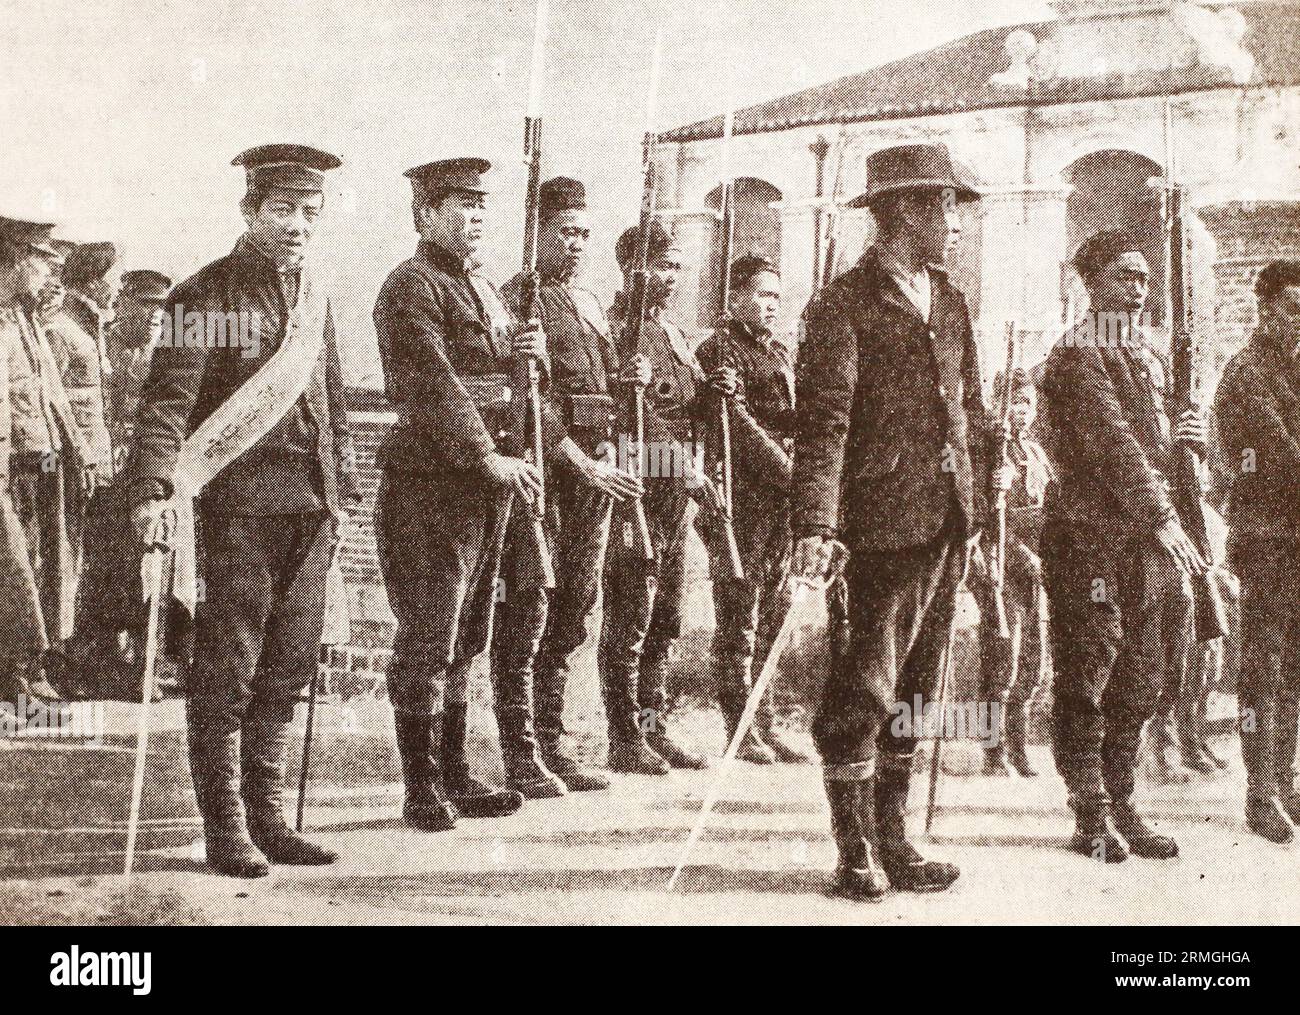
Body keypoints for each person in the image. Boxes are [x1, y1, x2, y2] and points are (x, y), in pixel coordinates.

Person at [129, 144, 359, 877]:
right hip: (237, 514)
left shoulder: (316, 297)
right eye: (283, 210)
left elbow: (332, 403)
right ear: (250, 211)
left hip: (309, 512)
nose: (297, 225)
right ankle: (225, 826)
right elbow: (167, 403)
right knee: (227, 670)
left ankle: (269, 819)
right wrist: (152, 489)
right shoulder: (207, 296)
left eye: (310, 213)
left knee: (288, 669)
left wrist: (341, 493)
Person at [792, 144, 989, 899]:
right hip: (877, 528)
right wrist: (816, 521)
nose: (956, 225)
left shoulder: (950, 298)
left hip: (946, 523)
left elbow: (968, 407)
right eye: (946, 208)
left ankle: (895, 840)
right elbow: (825, 425)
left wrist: (980, 500)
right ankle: (853, 852)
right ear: (908, 211)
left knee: (916, 693)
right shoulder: (841, 305)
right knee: (863, 690)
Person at [373, 156, 560, 826]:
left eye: (481, 205)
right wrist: (486, 454)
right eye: (459, 205)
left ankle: (454, 771)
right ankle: (420, 785)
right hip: (432, 486)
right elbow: (432, 384)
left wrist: (526, 355)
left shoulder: (484, 289)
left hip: (485, 489)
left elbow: (504, 385)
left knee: (469, 634)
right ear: (423, 213)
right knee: (429, 633)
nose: (475, 217)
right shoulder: (411, 286)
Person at [1038, 228, 1209, 864]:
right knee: (1090, 665)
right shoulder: (1081, 353)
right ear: (1091, 283)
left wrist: (1189, 436)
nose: (1136, 292)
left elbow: (1155, 445)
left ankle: (1123, 799)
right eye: (1122, 278)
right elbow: (1112, 445)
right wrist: (1164, 513)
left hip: (1139, 537)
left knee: (1140, 670)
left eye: (1142, 280)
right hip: (1087, 538)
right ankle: (1090, 813)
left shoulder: (1145, 355)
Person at [501, 177, 643, 793]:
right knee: (530, 605)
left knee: (576, 605)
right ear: (537, 232)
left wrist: (626, 373)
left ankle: (554, 739)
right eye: (566, 232)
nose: (578, 244)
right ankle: (520, 747)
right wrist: (577, 462)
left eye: (585, 233)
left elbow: (602, 386)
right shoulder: (516, 300)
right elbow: (532, 400)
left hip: (597, 472)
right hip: (547, 472)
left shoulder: (588, 303)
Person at [600, 221, 718, 773]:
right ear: (630, 268)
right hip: (637, 492)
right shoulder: (616, 329)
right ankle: (624, 738)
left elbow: (685, 408)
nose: (668, 278)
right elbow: (628, 428)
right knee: (632, 615)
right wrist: (683, 467)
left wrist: (713, 391)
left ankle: (653, 725)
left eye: (675, 267)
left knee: (666, 614)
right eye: (658, 266)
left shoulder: (670, 332)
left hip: (676, 498)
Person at [695, 254, 808, 764]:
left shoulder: (778, 351)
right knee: (739, 614)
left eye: (777, 297)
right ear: (736, 296)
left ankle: (763, 721)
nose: (770, 305)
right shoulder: (719, 350)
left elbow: (787, 413)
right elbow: (736, 426)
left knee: (774, 613)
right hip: (740, 498)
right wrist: (790, 473)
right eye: (761, 295)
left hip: (781, 502)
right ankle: (737, 728)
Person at [1212, 259, 1300, 843]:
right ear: (1265, 310)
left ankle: (1286, 780)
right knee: (1263, 670)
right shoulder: (1244, 374)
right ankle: (1260, 793)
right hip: (1266, 537)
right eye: (1292, 308)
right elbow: (1273, 453)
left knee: (1293, 667)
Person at [0, 215, 93, 704]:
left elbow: (52, 395)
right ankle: (16, 679)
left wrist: (73, 450)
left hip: (40, 462)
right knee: (12, 569)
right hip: (11, 465)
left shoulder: (23, 319)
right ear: (14, 261)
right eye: (40, 262)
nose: (48, 275)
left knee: (34, 566)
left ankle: (27, 670)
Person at [968, 368, 1053, 777]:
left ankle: (1018, 745)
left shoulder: (1035, 453)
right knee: (1005, 654)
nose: (1022, 411)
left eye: (1028, 402)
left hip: (1036, 567)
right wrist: (993, 484)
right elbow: (983, 517)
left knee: (1034, 661)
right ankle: (993, 750)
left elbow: (1048, 510)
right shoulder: (987, 452)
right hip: (1000, 560)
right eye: (1013, 402)